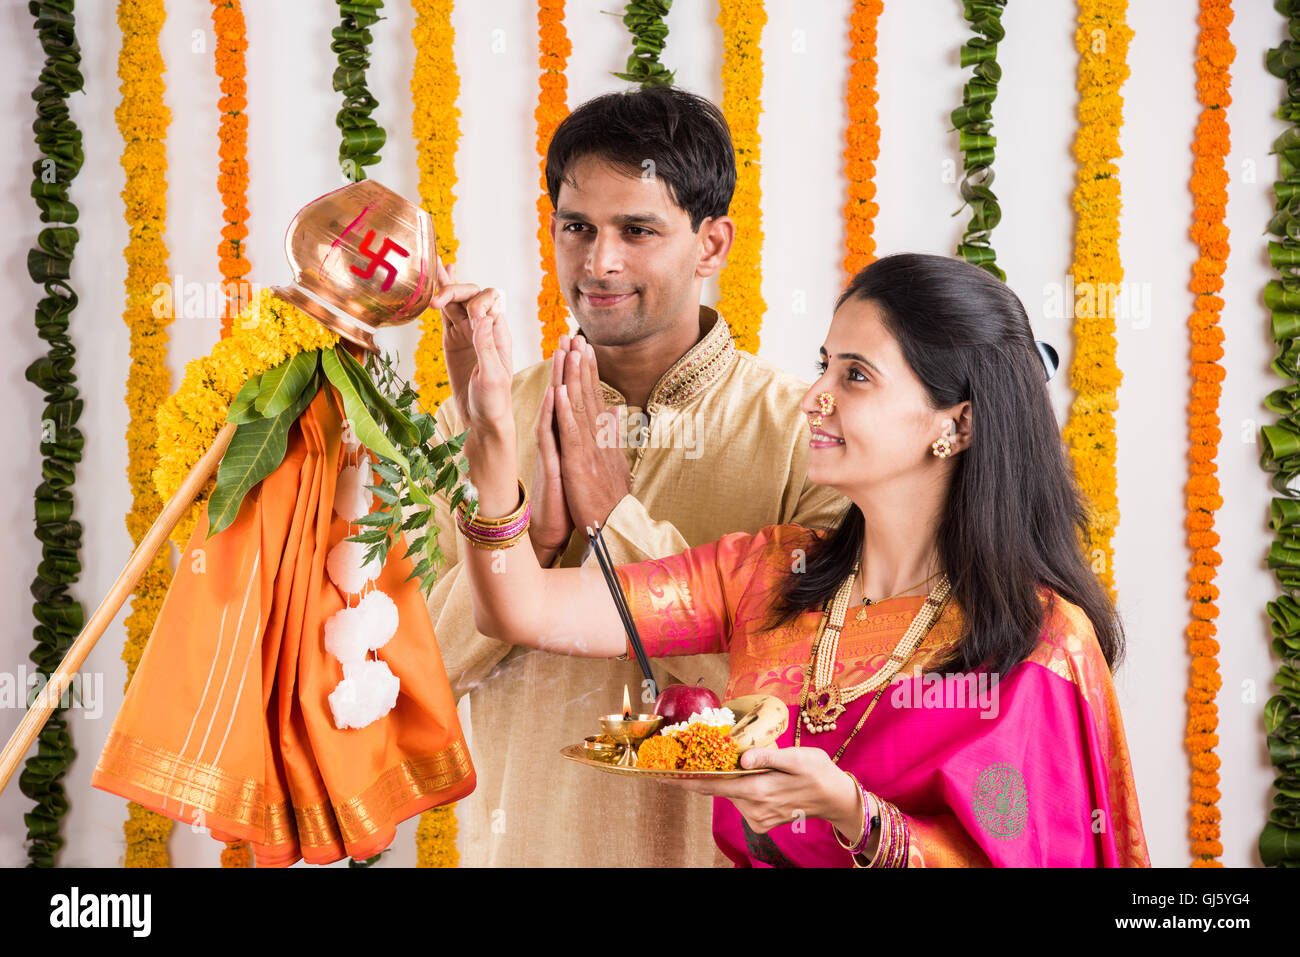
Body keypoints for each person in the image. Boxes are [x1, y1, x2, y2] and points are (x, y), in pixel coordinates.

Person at [440, 251, 1151, 867]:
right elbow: (519, 606)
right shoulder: (770, 573)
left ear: (956, 422)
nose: (814, 397)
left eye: (856, 376)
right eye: (823, 366)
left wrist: (853, 812)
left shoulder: (1037, 641)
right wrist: (496, 445)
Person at [422, 86, 846, 867]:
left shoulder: (807, 433)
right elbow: (411, 673)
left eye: (637, 230)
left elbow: (804, 698)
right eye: (577, 227)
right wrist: (529, 534)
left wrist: (617, 517)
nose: (599, 261)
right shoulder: (480, 419)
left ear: (711, 245)